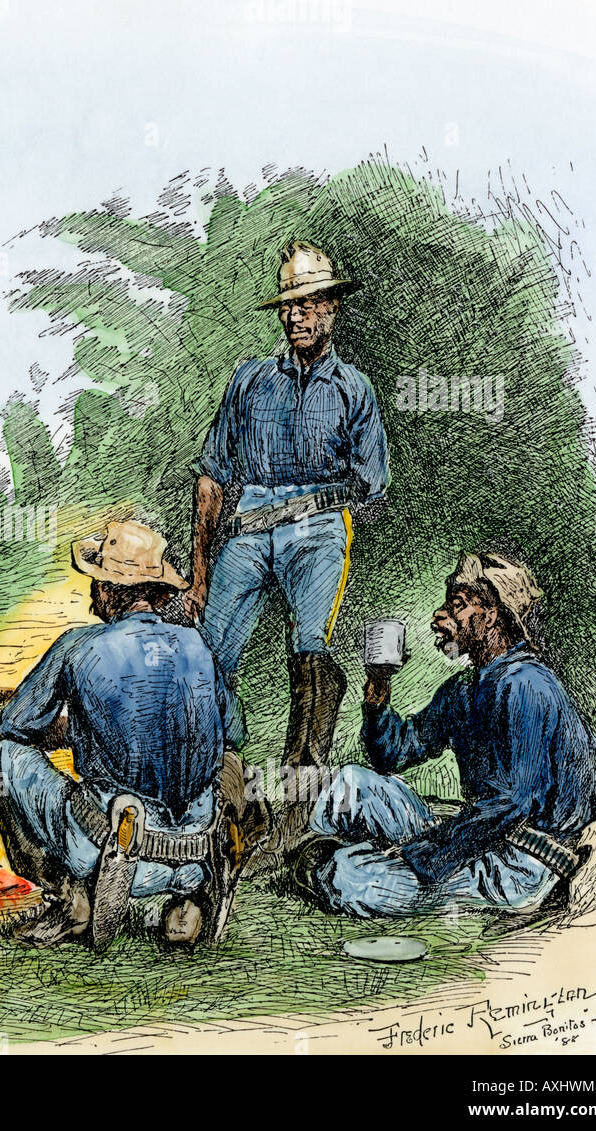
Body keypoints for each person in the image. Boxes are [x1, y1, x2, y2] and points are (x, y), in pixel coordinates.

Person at [0, 521, 252, 948]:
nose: (92, 595)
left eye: (96, 583)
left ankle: (73, 899)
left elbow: (15, 723)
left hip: (107, 851)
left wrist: (71, 730)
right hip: (194, 853)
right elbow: (233, 729)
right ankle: (187, 900)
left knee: (1, 757)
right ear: (159, 592)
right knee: (225, 765)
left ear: (107, 590)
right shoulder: (199, 645)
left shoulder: (78, 645)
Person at [288, 552, 596, 919]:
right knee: (348, 783)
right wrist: (377, 693)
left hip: (522, 860)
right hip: (478, 836)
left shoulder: (526, 685)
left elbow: (512, 803)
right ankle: (314, 850)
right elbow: (395, 753)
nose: (439, 617)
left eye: (456, 605)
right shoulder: (464, 689)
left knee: (348, 878)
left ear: (491, 615)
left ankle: (342, 864)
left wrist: (422, 853)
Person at [182, 242, 390, 775]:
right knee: (208, 652)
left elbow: (372, 485)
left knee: (310, 650)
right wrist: (199, 575)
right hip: (248, 526)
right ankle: (220, 771)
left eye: (308, 302)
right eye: (287, 304)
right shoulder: (249, 380)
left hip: (319, 526)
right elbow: (211, 478)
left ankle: (302, 784)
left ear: (332, 307)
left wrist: (322, 512)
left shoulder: (354, 390)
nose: (294, 315)